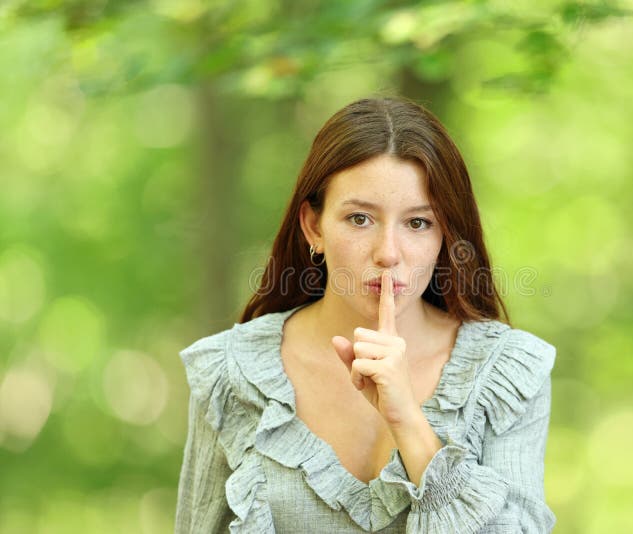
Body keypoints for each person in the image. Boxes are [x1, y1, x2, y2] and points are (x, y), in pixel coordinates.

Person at [175, 96, 557, 533]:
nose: (388, 253)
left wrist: (408, 422)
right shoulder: (232, 372)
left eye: (417, 223)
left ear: (444, 235)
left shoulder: (506, 374)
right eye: (360, 219)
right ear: (313, 226)